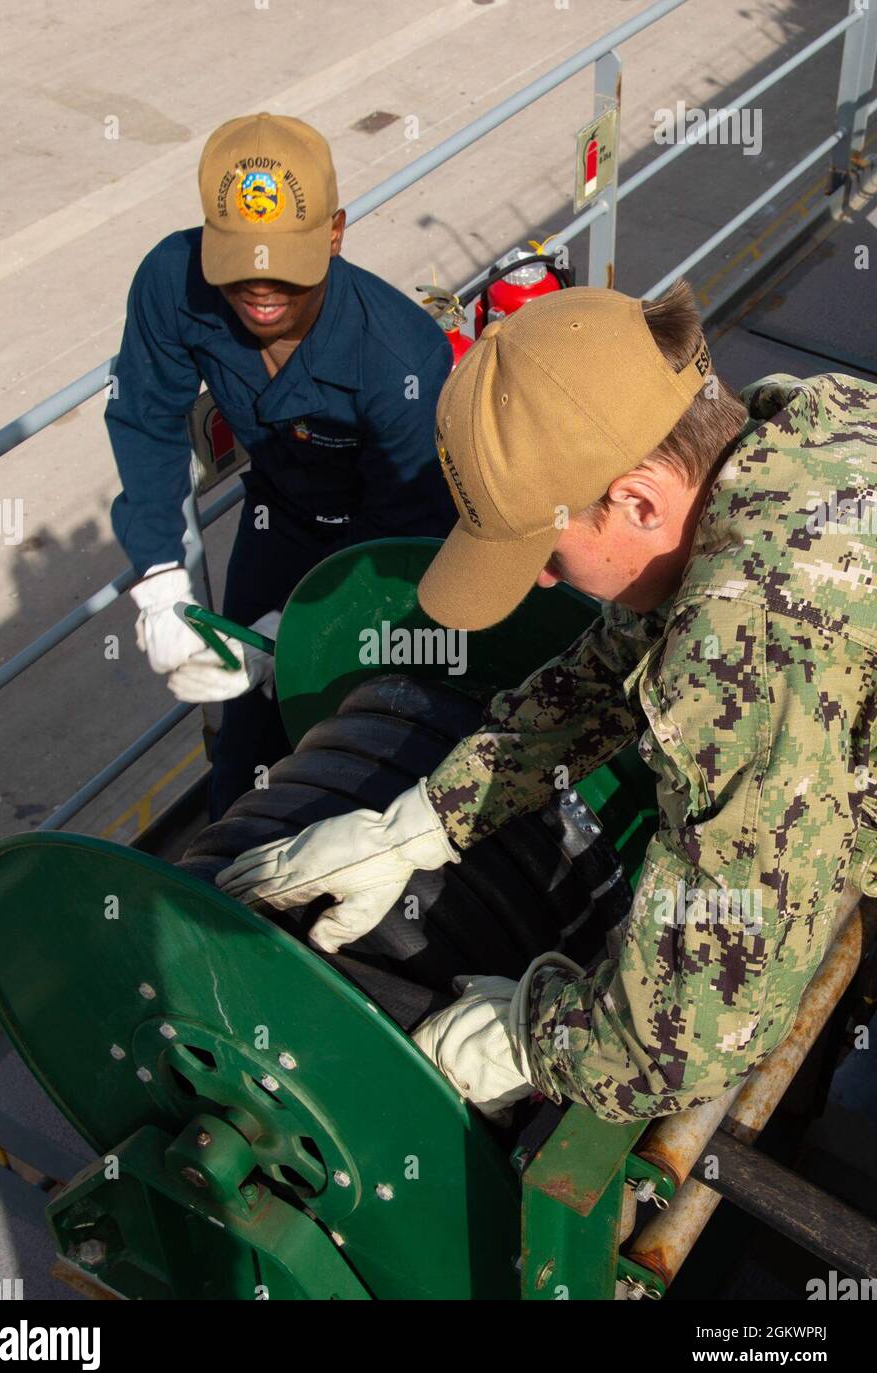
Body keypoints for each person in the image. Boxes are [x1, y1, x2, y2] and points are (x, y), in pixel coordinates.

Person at [214, 278, 877, 1124]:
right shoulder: (803, 428)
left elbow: (693, 1036)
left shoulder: (756, 629)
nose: (537, 578)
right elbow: (611, 667)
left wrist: (542, 1037)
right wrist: (419, 824)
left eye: (548, 552)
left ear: (637, 498)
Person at [106, 113, 455, 819]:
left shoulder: (402, 360)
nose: (261, 293)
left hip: (386, 549)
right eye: (237, 269)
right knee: (248, 739)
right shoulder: (170, 283)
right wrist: (159, 578)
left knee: (371, 723)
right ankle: (227, 885)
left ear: (335, 232)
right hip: (283, 518)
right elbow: (146, 420)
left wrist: (300, 633)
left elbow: (411, 531)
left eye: (287, 274)